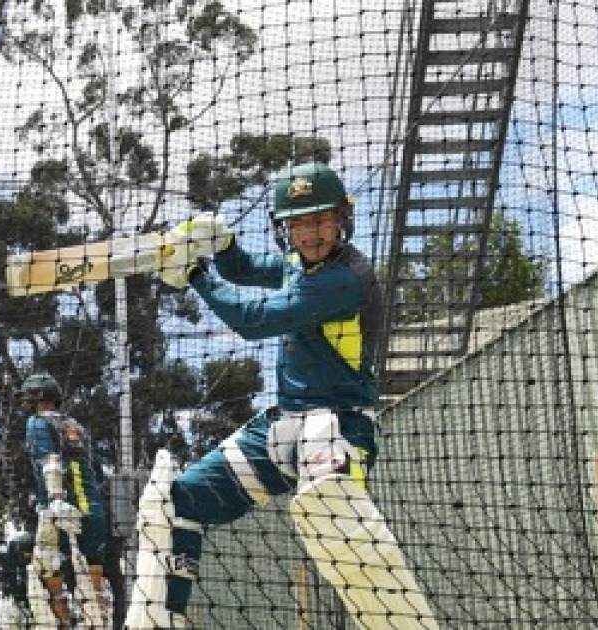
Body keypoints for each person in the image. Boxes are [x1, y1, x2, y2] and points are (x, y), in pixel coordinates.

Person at [126, 162, 437, 628]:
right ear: (284, 229)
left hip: (339, 426)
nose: (311, 234)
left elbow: (253, 320)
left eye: (320, 220)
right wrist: (223, 243)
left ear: (341, 218)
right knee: (177, 502)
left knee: (330, 510)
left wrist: (194, 274)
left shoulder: (346, 278)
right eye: (299, 223)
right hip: (284, 426)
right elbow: (248, 269)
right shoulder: (298, 263)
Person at [19, 373, 110, 629]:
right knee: (94, 582)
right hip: (92, 508)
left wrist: (55, 499)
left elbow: (49, 462)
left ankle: (63, 621)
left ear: (39, 397)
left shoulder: (37, 422)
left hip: (60, 508)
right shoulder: (76, 426)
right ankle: (97, 621)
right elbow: (97, 471)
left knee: (45, 566)